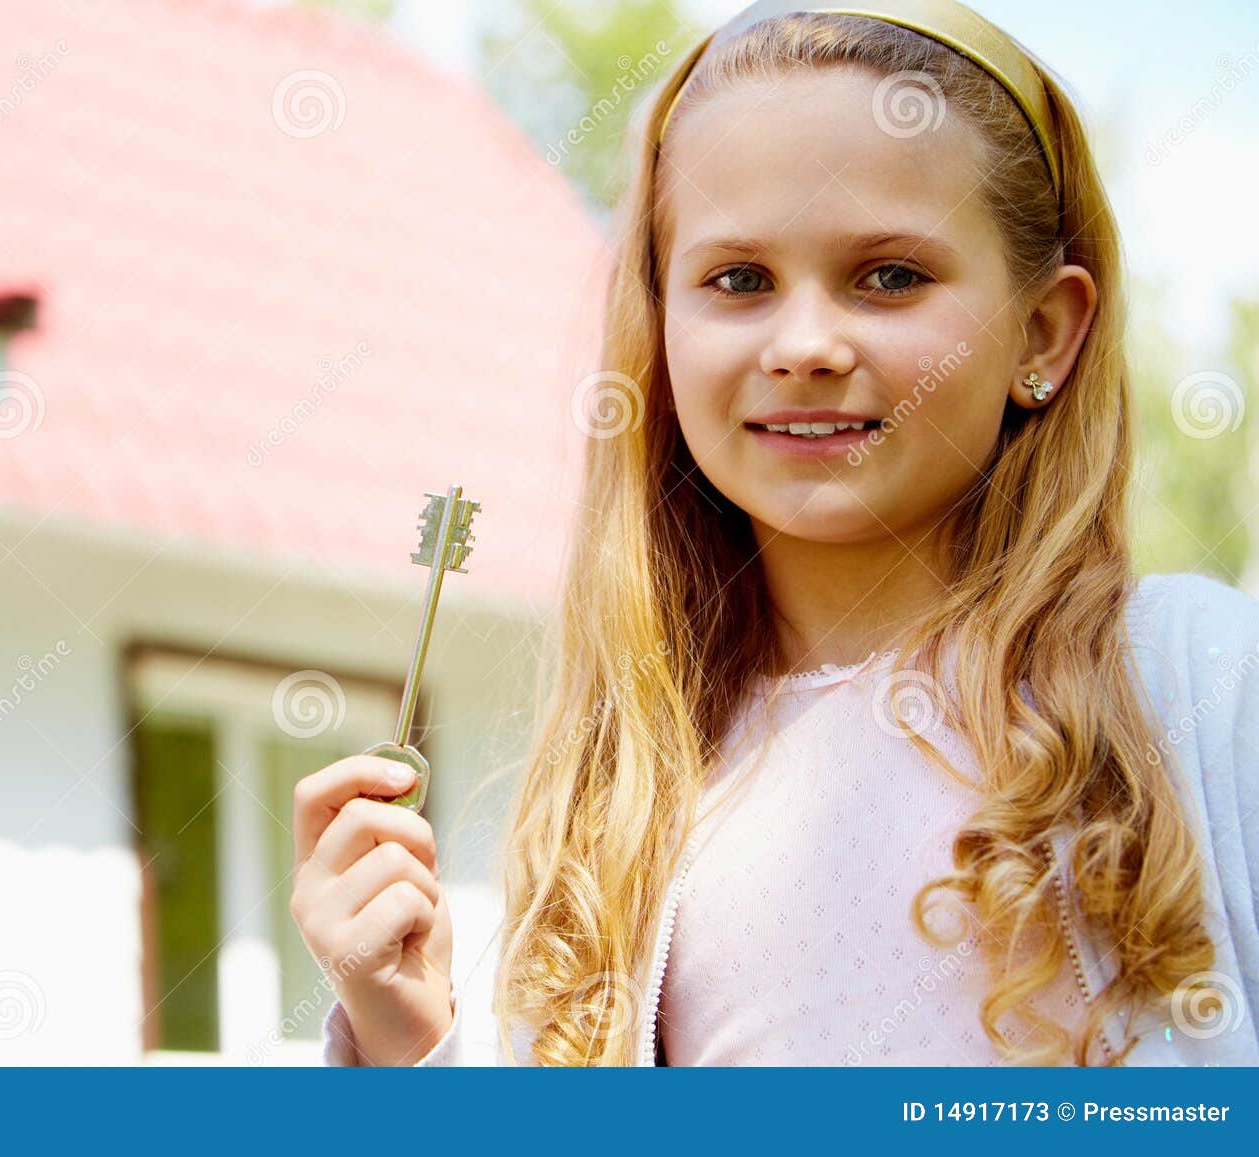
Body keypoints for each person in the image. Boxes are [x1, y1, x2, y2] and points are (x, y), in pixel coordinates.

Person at [289, 0, 1259, 1066]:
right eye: (737, 280)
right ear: (659, 326)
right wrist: (404, 1036)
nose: (803, 343)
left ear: (1043, 330)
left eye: (889, 276)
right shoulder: (631, 794)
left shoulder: (1200, 685)